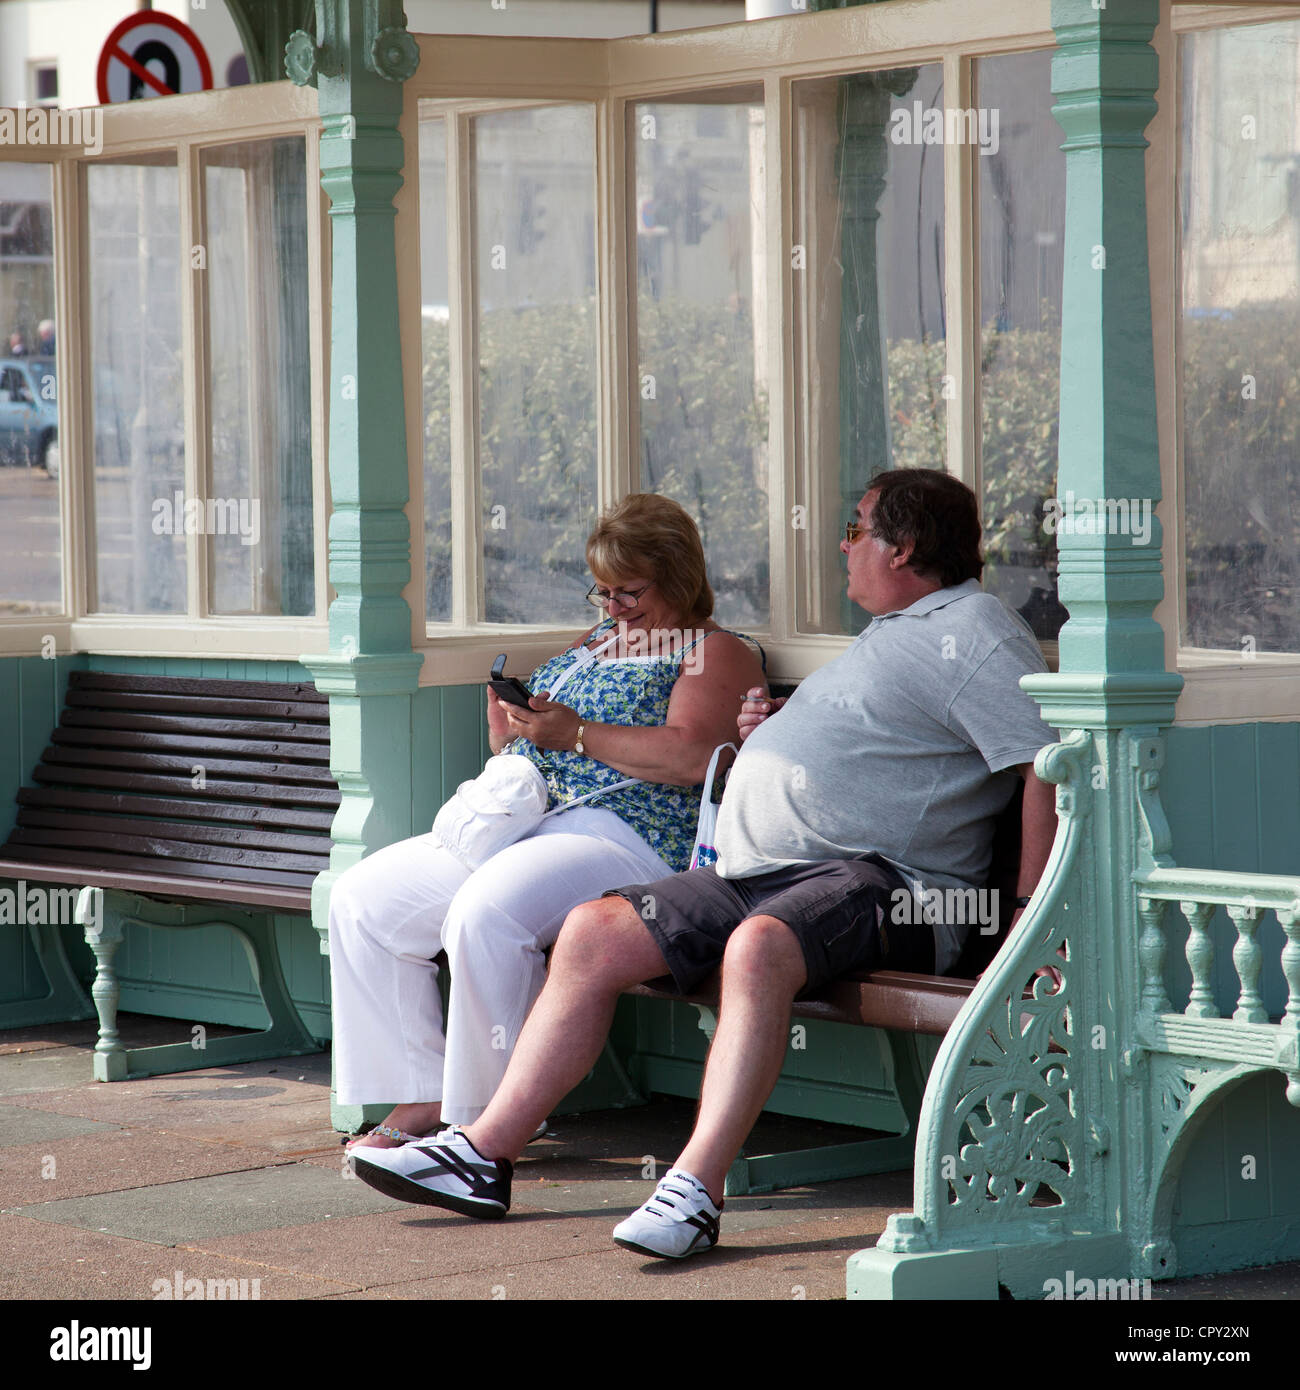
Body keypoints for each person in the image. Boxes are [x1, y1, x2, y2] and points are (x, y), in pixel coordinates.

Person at [348, 468, 1060, 1257]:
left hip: (895, 883)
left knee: (755, 947)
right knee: (591, 932)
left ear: (908, 546)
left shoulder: (975, 628)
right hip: (763, 871)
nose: (842, 544)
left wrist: (1031, 915)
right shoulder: (899, 631)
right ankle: (482, 1152)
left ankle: (694, 1187)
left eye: (856, 529)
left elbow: (1042, 766)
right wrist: (782, 729)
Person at [330, 492, 765, 1150]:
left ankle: (482, 1125)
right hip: (530, 816)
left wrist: (578, 734)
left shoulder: (711, 649)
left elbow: (694, 756)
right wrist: (512, 732)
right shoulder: (596, 642)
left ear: (678, 576)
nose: (614, 607)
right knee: (363, 899)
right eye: (603, 592)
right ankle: (420, 1090)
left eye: (629, 591)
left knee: (486, 913)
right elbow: (552, 738)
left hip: (629, 833)